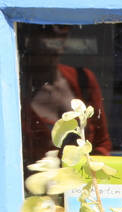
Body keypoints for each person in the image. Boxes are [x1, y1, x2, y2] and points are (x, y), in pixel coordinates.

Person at [19, 24, 112, 173]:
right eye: (46, 29)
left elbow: (102, 143)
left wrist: (93, 180)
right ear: (28, 39)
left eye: (63, 27)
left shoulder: (84, 79)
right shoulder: (15, 91)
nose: (57, 33)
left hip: (83, 185)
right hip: (36, 189)